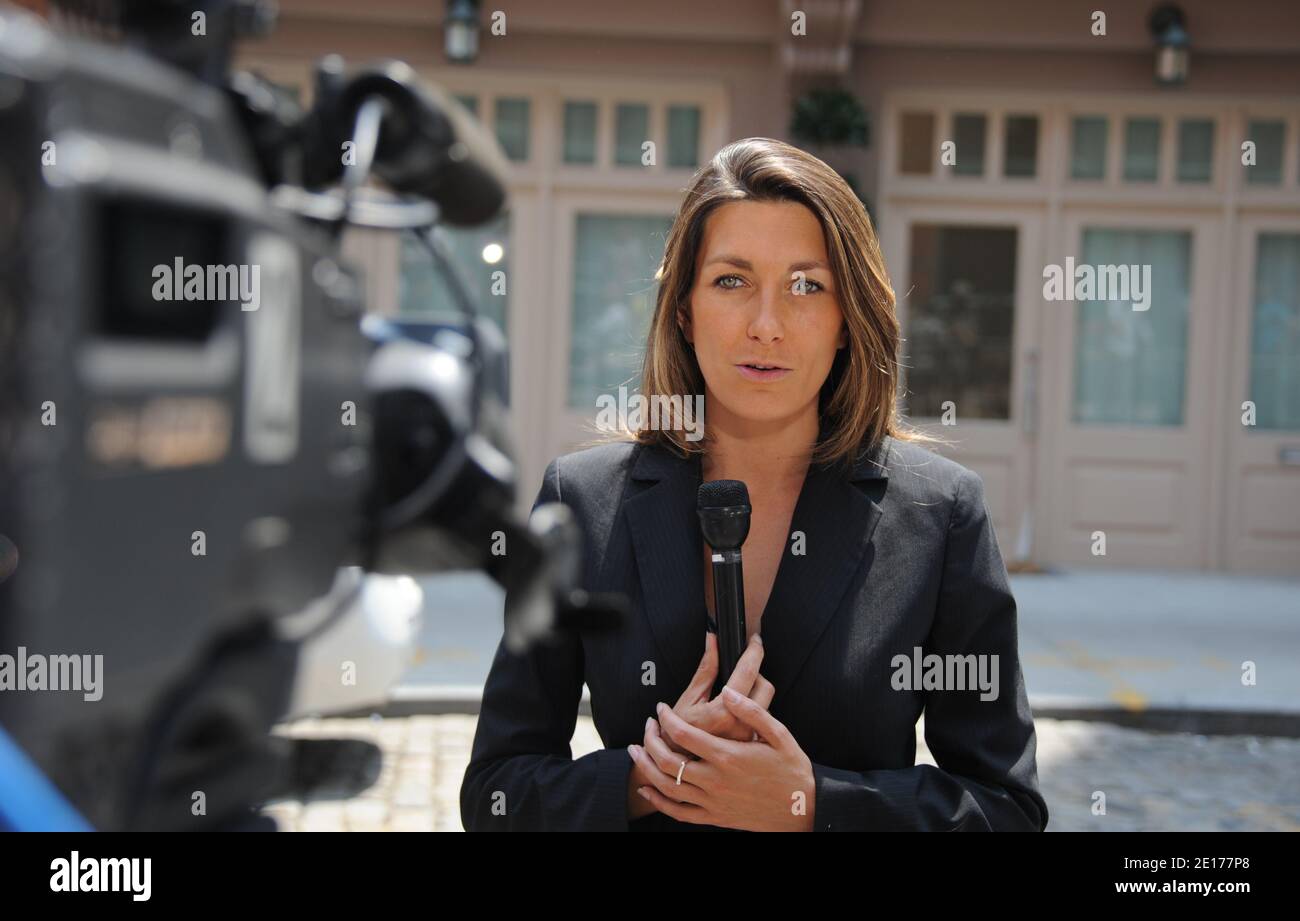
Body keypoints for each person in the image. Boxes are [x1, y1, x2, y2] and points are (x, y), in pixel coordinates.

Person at [460, 137, 1048, 831]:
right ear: (684, 310)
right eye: (732, 281)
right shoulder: (582, 501)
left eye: (806, 286)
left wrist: (814, 803)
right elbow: (496, 792)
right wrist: (648, 778)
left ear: (844, 323)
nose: (765, 326)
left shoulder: (941, 514)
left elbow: (1006, 809)